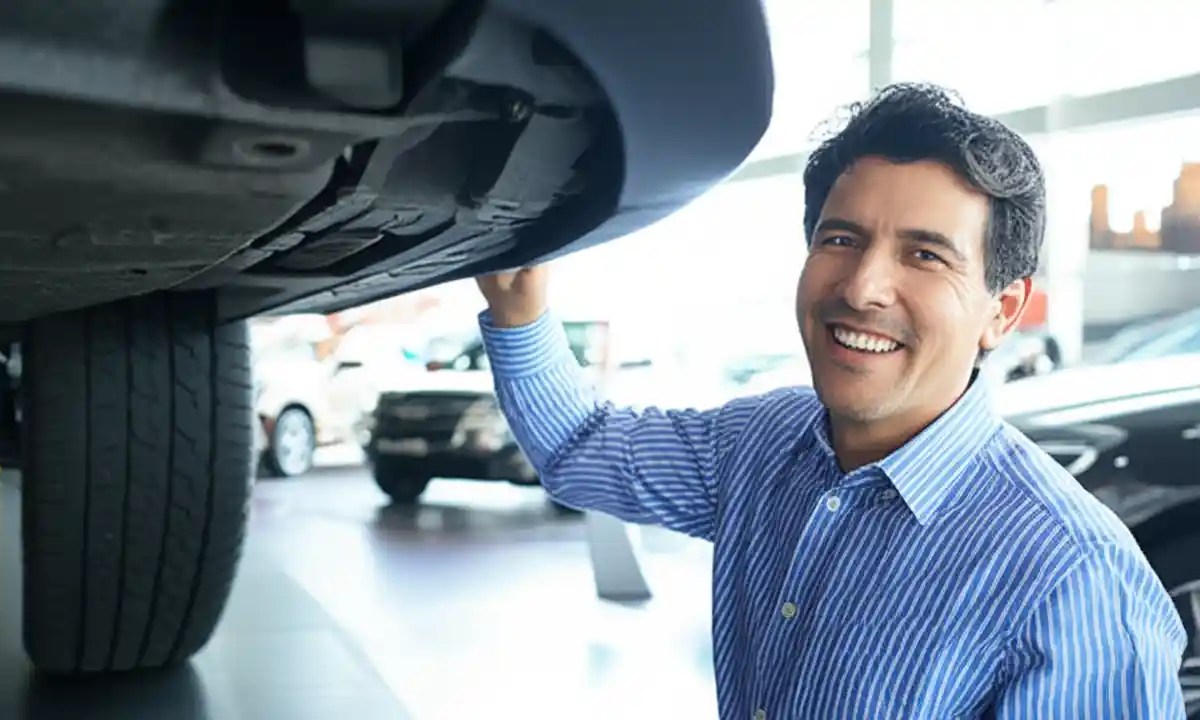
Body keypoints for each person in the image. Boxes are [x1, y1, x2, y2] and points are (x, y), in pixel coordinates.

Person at [473, 83, 1187, 718]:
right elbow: (581, 448)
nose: (861, 287)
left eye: (925, 255)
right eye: (840, 238)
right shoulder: (762, 442)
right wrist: (519, 313)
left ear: (1002, 311)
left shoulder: (1074, 578)